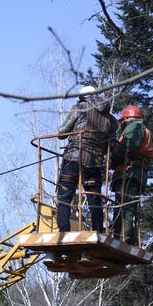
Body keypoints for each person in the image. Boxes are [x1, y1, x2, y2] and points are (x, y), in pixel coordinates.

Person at [56, 85, 118, 233]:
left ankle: (64, 230)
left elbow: (61, 133)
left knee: (65, 195)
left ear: (82, 97)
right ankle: (97, 229)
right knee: (94, 197)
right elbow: (112, 144)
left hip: (73, 159)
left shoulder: (79, 108)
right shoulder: (111, 119)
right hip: (94, 164)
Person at [109, 104, 153, 246]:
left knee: (124, 208)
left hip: (128, 173)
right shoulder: (142, 129)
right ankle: (127, 238)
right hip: (134, 173)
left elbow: (126, 147)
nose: (122, 123)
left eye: (123, 120)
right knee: (128, 208)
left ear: (128, 118)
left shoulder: (135, 127)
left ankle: (121, 239)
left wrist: (110, 160)